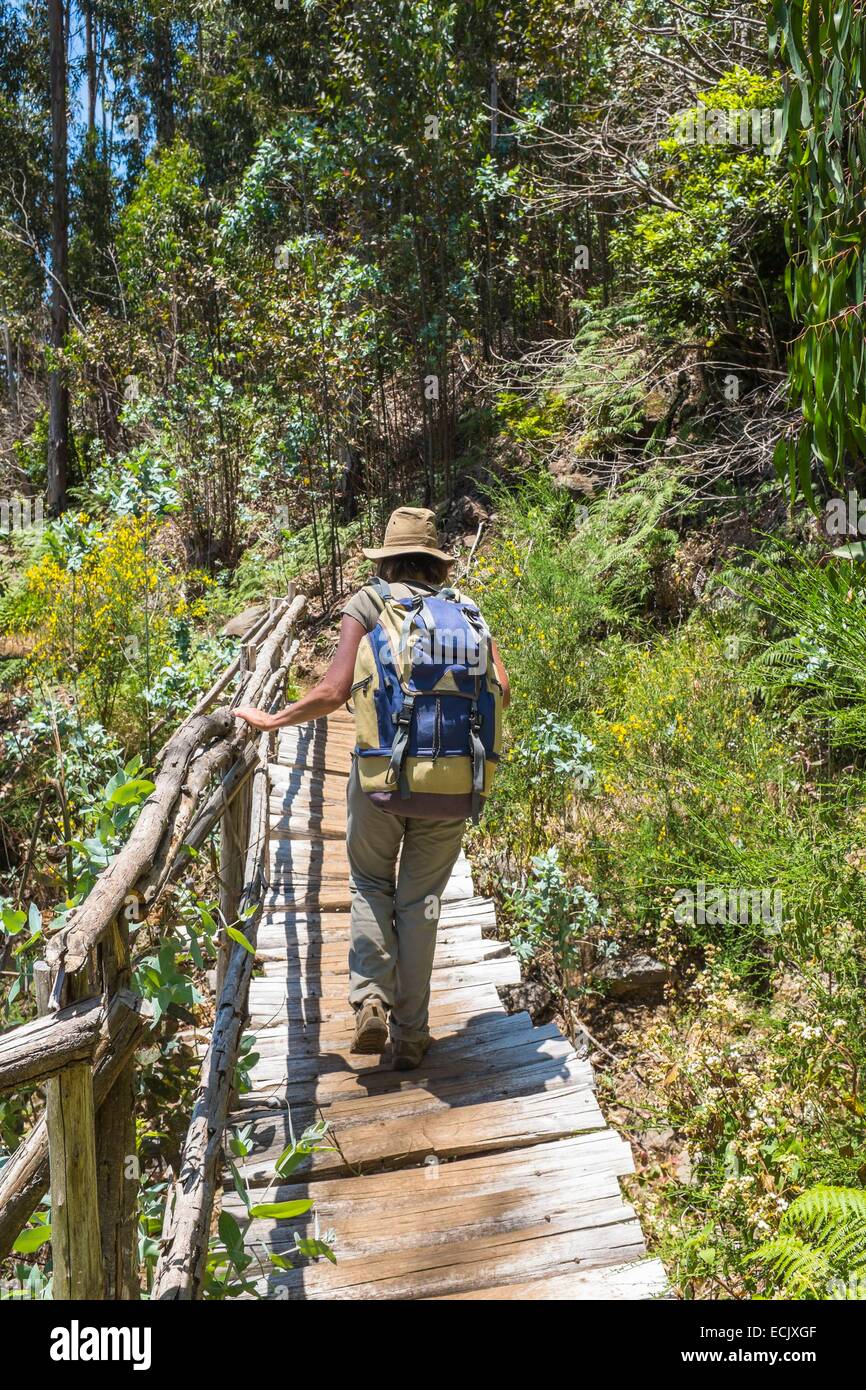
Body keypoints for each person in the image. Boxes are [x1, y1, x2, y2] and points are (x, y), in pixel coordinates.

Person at [233, 505, 510, 1071]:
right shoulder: (468, 610)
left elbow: (335, 691)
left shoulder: (369, 602)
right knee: (421, 905)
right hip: (455, 787)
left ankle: (371, 1000)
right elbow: (501, 688)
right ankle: (412, 1035)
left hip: (382, 778)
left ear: (386, 557)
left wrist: (274, 719)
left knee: (368, 883)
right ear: (436, 562)